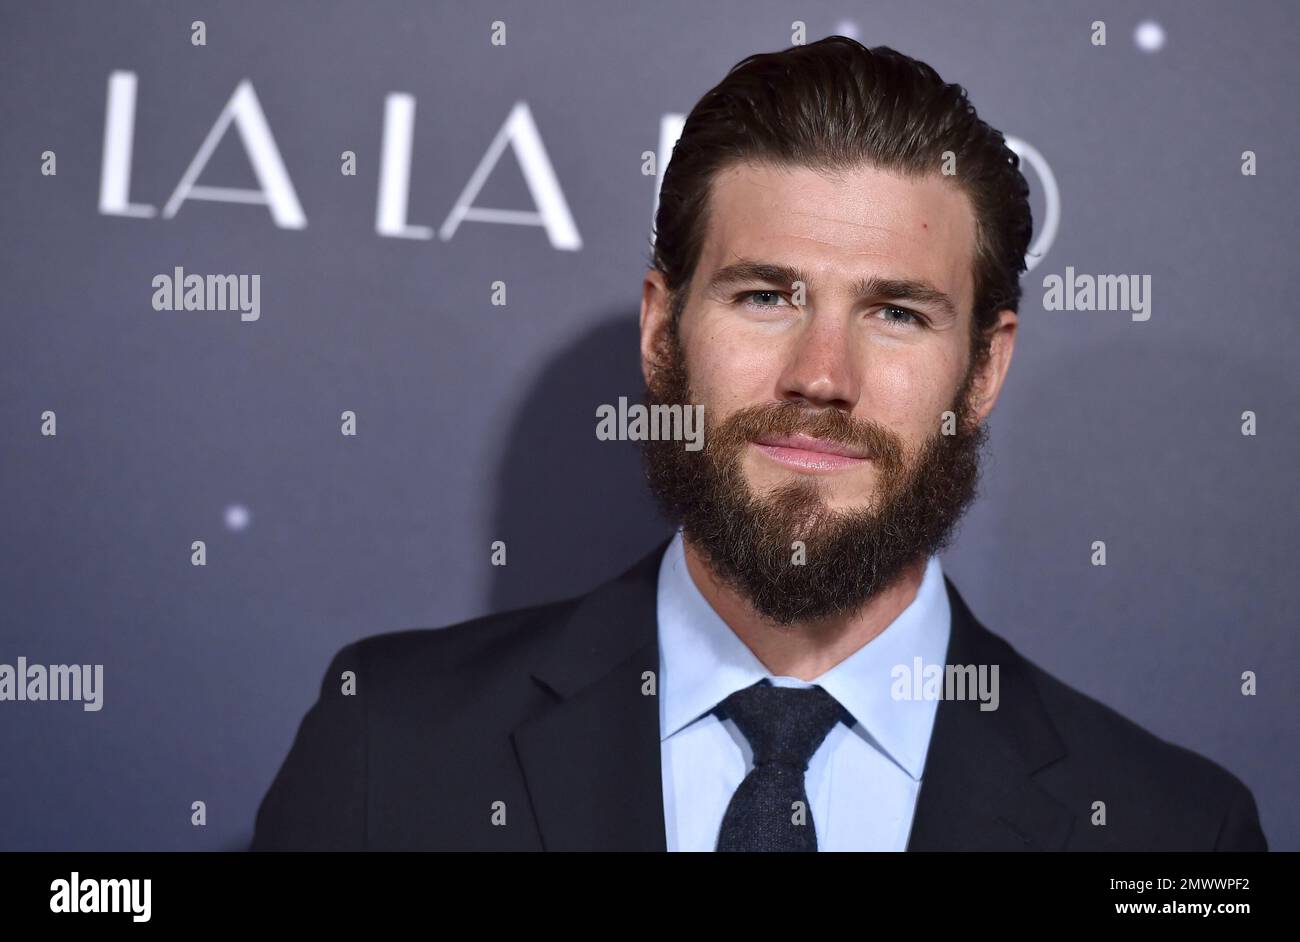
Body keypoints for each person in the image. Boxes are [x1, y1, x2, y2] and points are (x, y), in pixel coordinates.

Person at [250, 36, 1266, 851]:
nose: (821, 374)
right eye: (766, 295)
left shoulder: (1170, 832)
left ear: (985, 369)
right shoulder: (389, 747)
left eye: (897, 313)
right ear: (660, 333)